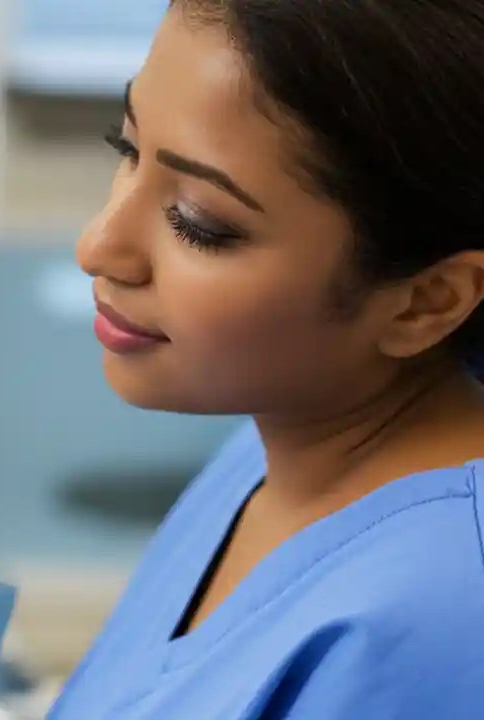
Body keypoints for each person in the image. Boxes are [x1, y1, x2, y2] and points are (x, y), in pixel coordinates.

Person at [47, 1, 484, 718]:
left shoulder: (440, 625)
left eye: (199, 223)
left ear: (426, 302)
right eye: (126, 150)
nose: (98, 247)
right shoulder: (265, 448)